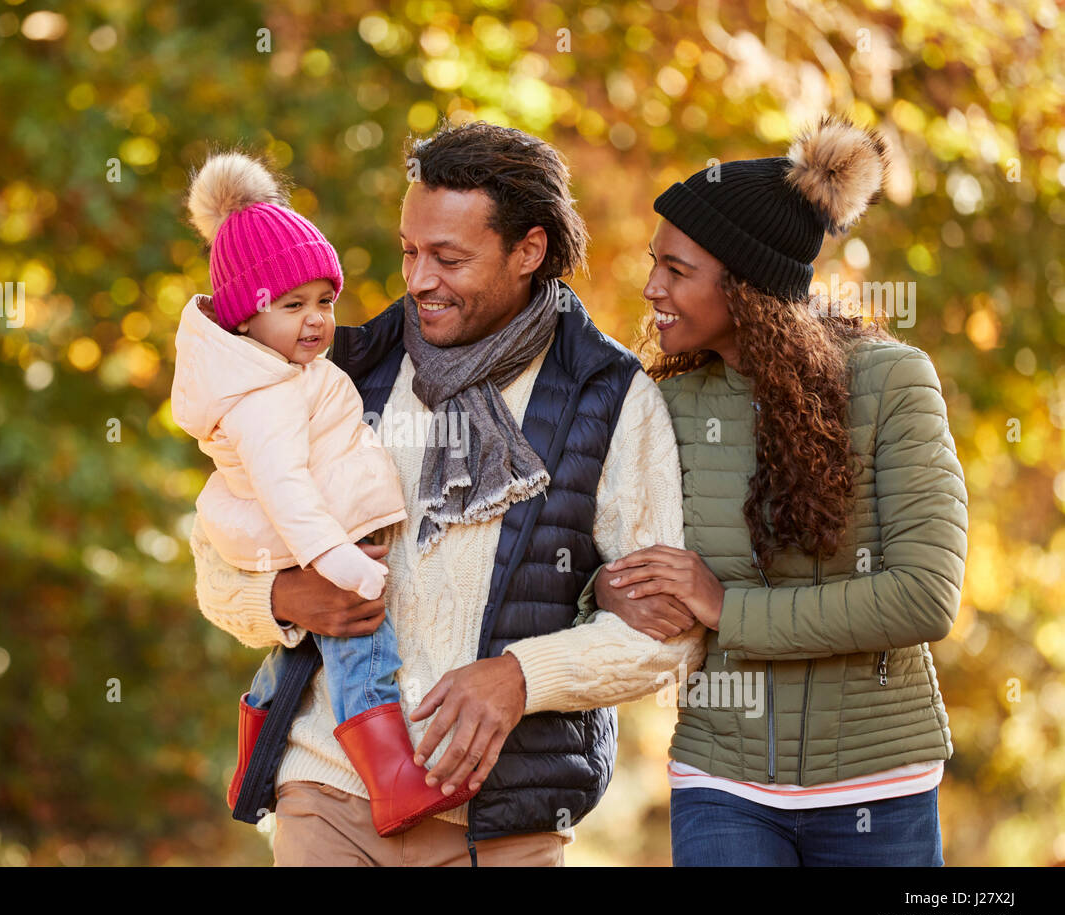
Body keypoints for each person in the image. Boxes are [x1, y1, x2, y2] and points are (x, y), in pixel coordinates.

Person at [187, 121, 706, 866]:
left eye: (449, 257)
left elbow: (671, 633)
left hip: (504, 819)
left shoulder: (609, 398)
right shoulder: (345, 369)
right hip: (327, 792)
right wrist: (282, 598)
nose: (418, 279)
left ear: (528, 251)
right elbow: (215, 559)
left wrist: (522, 678)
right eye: (409, 251)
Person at [584, 116, 968, 865]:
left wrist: (728, 608)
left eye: (677, 270)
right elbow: (597, 556)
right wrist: (608, 588)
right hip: (720, 782)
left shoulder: (892, 384)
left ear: (747, 284)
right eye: (653, 263)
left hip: (877, 787)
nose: (651, 287)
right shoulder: (664, 403)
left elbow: (926, 594)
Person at [170, 151, 476, 837]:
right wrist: (348, 567)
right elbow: (287, 495)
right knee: (361, 645)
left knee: (305, 650)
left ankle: (256, 744)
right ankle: (392, 776)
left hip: (316, 534)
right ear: (246, 317)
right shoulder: (265, 398)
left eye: (324, 301)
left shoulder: (280, 370)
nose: (315, 321)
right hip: (314, 539)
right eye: (291, 305)